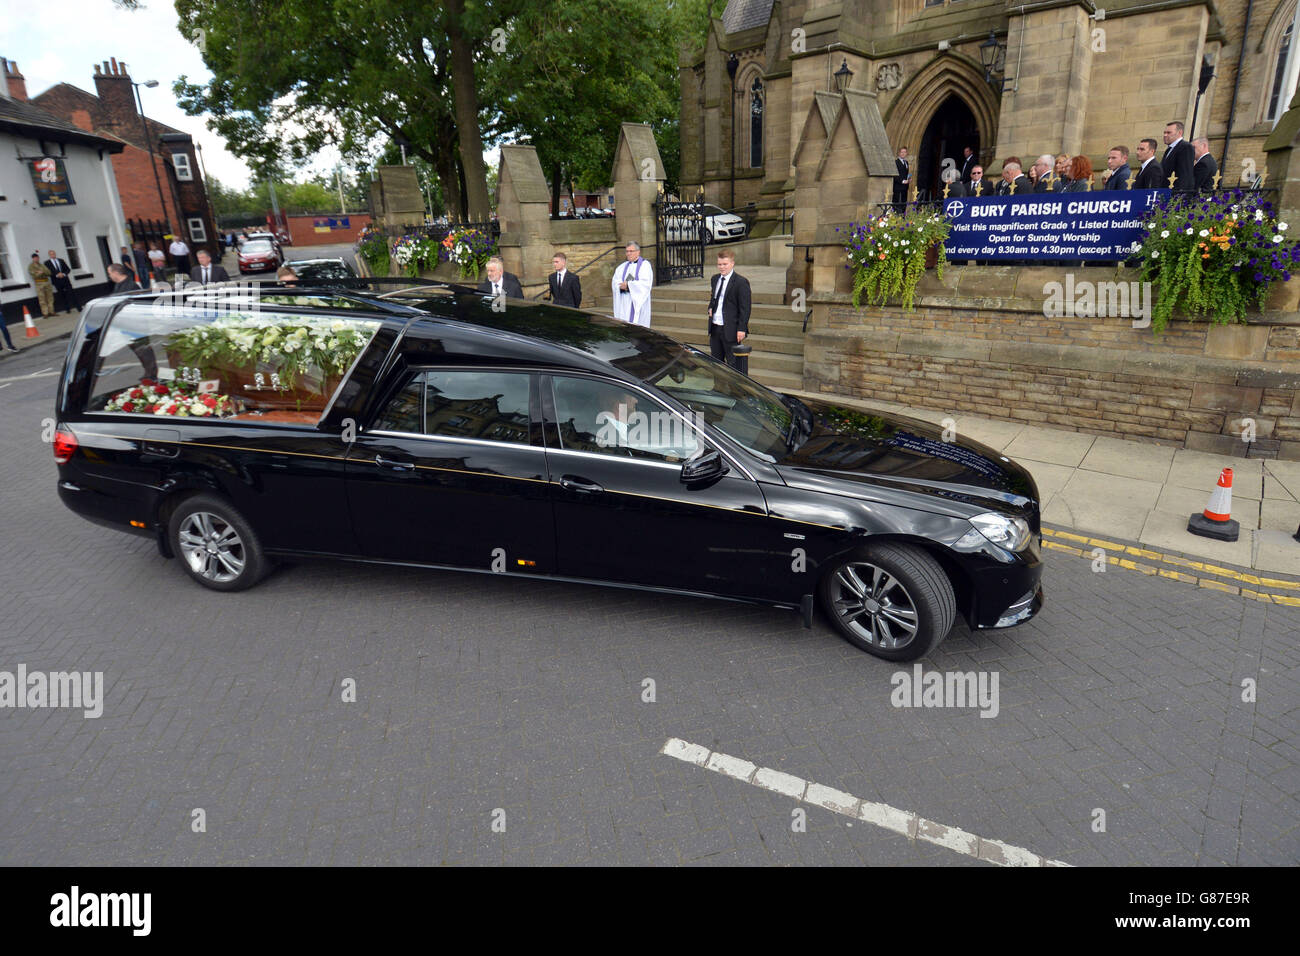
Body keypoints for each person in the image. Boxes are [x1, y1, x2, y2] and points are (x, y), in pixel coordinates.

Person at [707, 249, 751, 373]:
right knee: (716, 362)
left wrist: (742, 328)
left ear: (732, 263)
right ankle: (718, 388)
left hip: (731, 329)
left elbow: (745, 307)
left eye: (725, 264)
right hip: (715, 327)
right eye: (719, 264)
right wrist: (710, 308)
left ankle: (734, 390)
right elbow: (714, 297)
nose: (722, 267)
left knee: (733, 364)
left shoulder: (741, 282)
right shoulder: (715, 279)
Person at [610, 242, 653, 327]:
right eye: (627, 251)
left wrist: (629, 286)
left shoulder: (645, 265)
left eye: (631, 251)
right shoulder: (621, 267)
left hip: (636, 302)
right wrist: (619, 286)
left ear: (638, 252)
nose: (628, 254)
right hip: (623, 302)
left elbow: (645, 284)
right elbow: (615, 282)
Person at [1161, 121, 1195, 192]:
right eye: (1164, 133)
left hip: (1175, 192)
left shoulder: (1185, 147)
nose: (1165, 135)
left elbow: (1185, 173)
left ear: (1180, 133)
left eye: (1169, 133)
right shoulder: (1169, 149)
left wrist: (1178, 194)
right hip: (1164, 191)